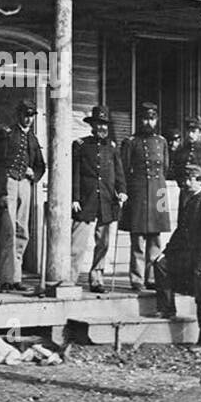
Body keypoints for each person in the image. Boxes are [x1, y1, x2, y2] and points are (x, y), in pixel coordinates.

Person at [71, 105, 127, 293]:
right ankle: (69, 278)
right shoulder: (80, 145)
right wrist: (75, 198)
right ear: (92, 125)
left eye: (105, 125)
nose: (102, 128)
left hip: (106, 200)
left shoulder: (112, 148)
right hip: (85, 201)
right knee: (77, 243)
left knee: (103, 243)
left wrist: (122, 191)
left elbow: (119, 173)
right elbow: (75, 174)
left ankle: (96, 278)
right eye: (99, 124)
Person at [0, 99, 45, 294]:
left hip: (25, 185)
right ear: (18, 115)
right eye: (25, 115)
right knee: (9, 231)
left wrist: (34, 174)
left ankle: (17, 278)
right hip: (9, 183)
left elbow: (41, 165)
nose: (28, 119)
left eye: (31, 115)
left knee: (22, 232)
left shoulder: (33, 139)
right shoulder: (6, 134)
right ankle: (6, 279)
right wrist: (1, 191)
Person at [153, 164, 201, 320]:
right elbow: (181, 231)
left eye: (190, 180)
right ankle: (167, 308)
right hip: (183, 255)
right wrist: (165, 253)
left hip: (197, 258)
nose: (186, 183)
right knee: (161, 265)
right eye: (185, 179)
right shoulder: (190, 200)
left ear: (200, 181)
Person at [121, 101, 171, 291]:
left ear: (156, 120)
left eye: (152, 118)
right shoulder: (131, 142)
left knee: (155, 238)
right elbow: (125, 170)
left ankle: (152, 277)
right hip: (139, 191)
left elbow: (165, 167)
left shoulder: (162, 142)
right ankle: (137, 278)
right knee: (139, 238)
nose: (148, 122)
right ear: (139, 120)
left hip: (159, 191)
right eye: (145, 119)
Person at [171, 115, 201, 211]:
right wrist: (184, 184)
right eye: (188, 131)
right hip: (186, 193)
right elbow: (177, 172)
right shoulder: (181, 152)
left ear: (200, 133)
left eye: (193, 132)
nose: (190, 135)